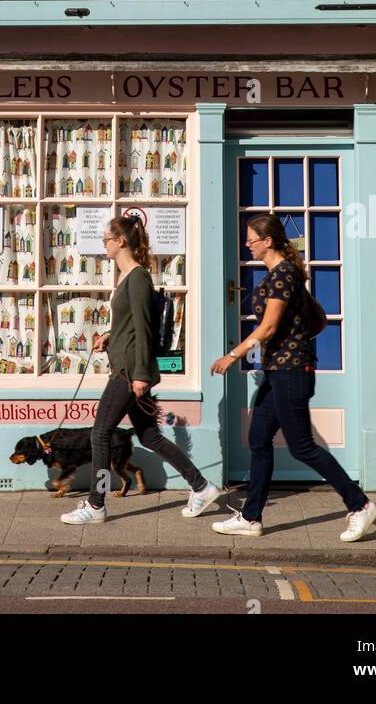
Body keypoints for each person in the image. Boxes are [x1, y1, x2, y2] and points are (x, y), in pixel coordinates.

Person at [209, 213, 376, 541]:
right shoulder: (281, 274)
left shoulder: (283, 274)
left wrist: (232, 355)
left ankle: (359, 505)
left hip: (291, 373)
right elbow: (316, 318)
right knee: (259, 439)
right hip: (278, 372)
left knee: (302, 447)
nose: (247, 244)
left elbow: (269, 326)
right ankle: (251, 517)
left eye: (251, 239)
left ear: (267, 241)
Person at [61, 215, 219, 524]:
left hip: (129, 372)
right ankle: (201, 486)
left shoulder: (137, 278)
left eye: (107, 239)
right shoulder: (126, 277)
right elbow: (129, 324)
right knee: (149, 437)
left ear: (120, 242)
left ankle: (96, 504)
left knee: (101, 434)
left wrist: (141, 376)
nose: (104, 244)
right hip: (126, 366)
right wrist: (109, 336)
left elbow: (144, 330)